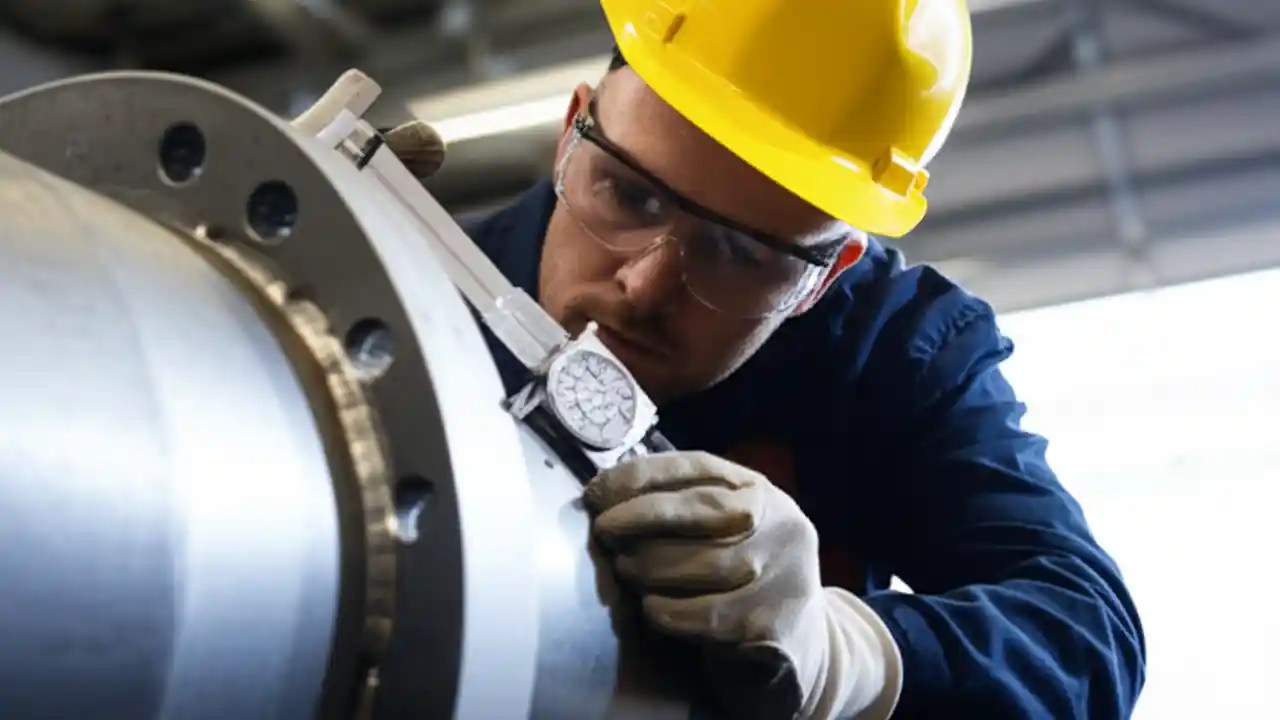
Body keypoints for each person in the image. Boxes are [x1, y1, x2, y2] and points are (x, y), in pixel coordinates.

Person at [448, 1, 1146, 717]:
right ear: (572, 131)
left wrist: (848, 655)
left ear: (825, 277)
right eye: (630, 195)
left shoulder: (894, 352)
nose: (645, 285)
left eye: (739, 253)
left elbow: (1085, 641)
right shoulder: (424, 277)